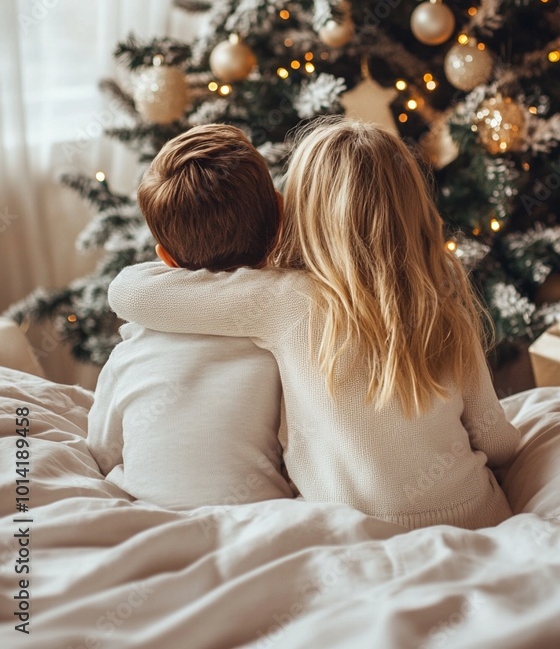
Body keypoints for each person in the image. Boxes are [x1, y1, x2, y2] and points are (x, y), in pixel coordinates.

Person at [108, 118, 520, 529]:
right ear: (416, 212)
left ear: (290, 211)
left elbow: (132, 296)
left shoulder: (287, 300)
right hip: (477, 516)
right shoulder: (444, 309)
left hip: (352, 529)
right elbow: (497, 443)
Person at [87, 124, 294, 509]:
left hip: (149, 510)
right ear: (280, 215)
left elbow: (102, 452)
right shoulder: (284, 339)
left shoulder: (133, 345)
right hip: (261, 513)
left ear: (165, 257)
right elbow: (299, 452)